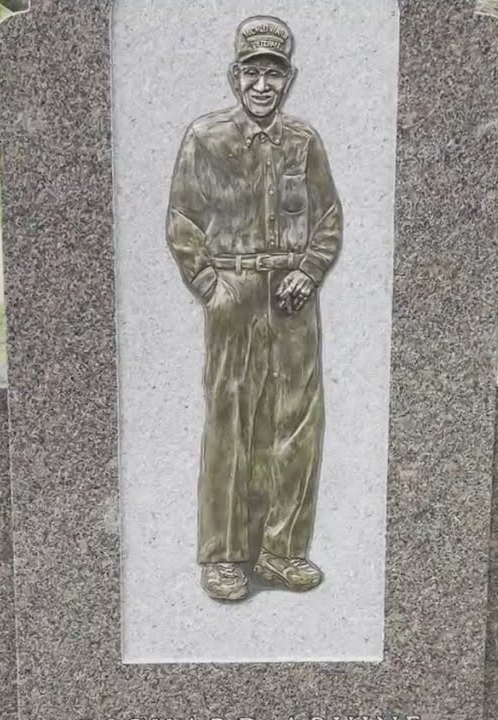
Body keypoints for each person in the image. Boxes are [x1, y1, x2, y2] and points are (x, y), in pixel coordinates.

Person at [165, 14, 343, 602]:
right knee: (231, 423)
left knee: (295, 423)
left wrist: (309, 270)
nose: (262, 84)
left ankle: (281, 550)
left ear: (287, 80)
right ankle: (223, 556)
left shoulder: (304, 141)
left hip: (292, 301)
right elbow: (183, 221)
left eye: (273, 73)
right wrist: (210, 284)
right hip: (235, 295)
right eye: (251, 72)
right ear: (234, 76)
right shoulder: (205, 137)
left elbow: (328, 220)